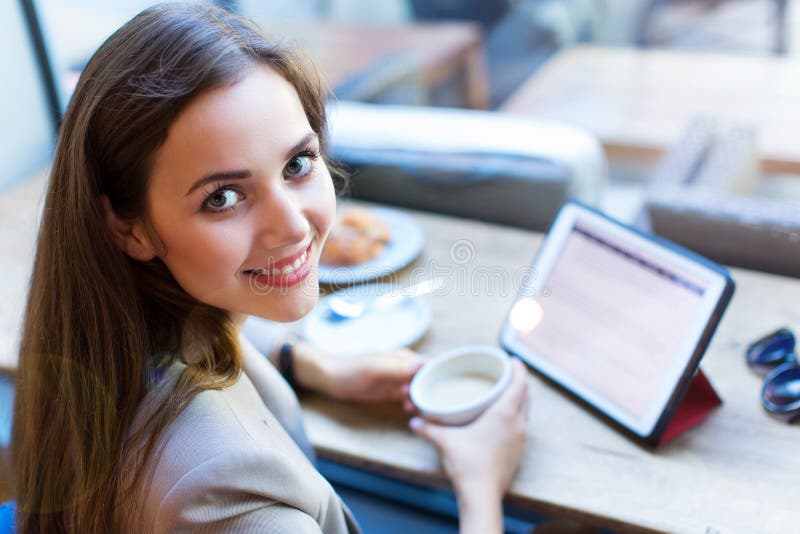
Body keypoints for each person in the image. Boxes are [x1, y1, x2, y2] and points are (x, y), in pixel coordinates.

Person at [11, 3, 529, 532]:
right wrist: (480, 484)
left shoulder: (100, 327)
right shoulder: (223, 499)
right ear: (129, 228)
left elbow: (202, 336)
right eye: (223, 197)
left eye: (297, 164)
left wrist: (310, 365)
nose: (292, 226)